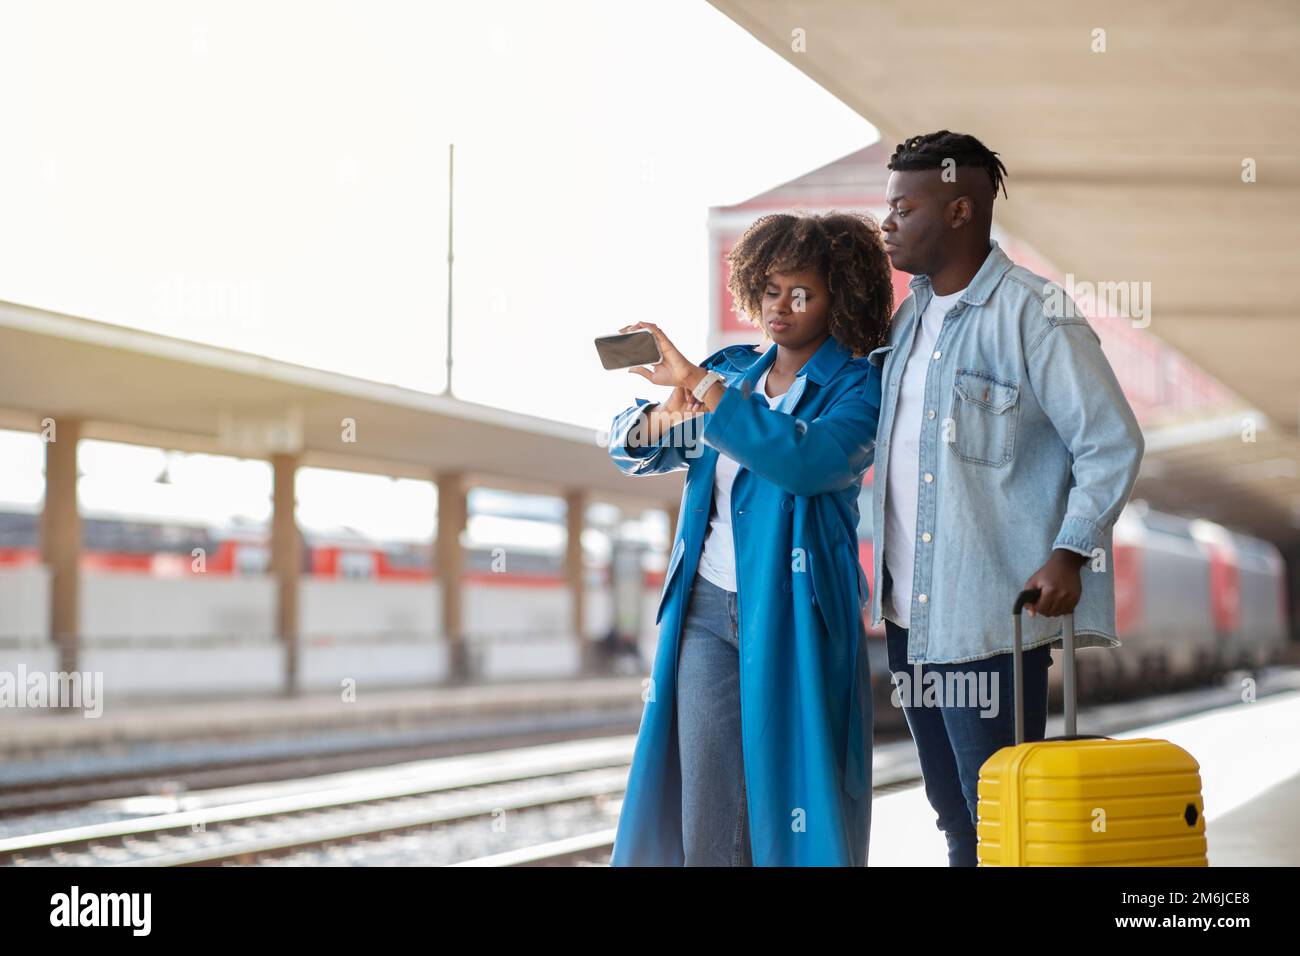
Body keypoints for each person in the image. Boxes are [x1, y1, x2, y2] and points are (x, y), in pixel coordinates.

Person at [869, 131, 1144, 866]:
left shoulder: (1036, 313)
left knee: (1001, 816)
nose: (886, 223)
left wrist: (1069, 551)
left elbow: (1110, 441)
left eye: (903, 207)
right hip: (908, 614)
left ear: (960, 209)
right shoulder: (907, 320)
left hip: (992, 619)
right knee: (954, 814)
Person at [605, 211, 893, 865]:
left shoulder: (856, 386)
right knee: (707, 802)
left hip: (797, 613)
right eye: (770, 289)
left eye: (802, 292)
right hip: (705, 612)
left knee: (794, 802)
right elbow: (628, 445)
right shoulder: (730, 371)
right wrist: (660, 416)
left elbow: (806, 460)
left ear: (839, 296)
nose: (781, 307)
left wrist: (702, 390)